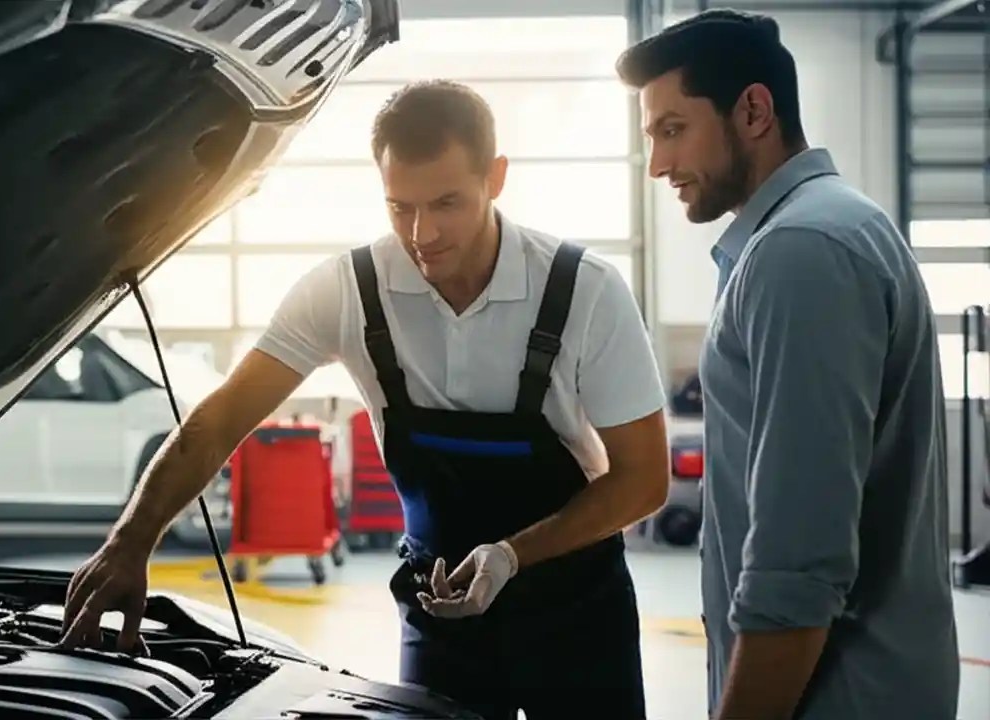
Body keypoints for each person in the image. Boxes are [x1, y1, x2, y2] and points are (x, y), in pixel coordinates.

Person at [60, 79, 671, 719]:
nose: (423, 233)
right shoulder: (348, 291)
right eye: (400, 207)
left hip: (577, 608)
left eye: (447, 203)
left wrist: (510, 556)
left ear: (495, 177)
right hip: (441, 612)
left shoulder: (584, 292)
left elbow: (643, 479)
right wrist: (129, 542)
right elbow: (218, 422)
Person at [616, 9, 960, 720]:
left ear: (753, 111)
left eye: (672, 130)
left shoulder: (800, 252)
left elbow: (798, 564)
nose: (657, 165)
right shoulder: (832, 226)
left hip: (839, 698)